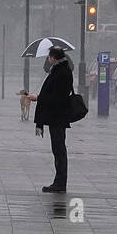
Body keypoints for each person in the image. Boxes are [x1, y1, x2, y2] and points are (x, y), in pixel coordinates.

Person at [25, 46, 73, 192]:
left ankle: (60, 183)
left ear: (53, 58)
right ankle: (59, 182)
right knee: (57, 149)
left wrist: (38, 98)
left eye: (48, 57)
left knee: (59, 149)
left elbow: (57, 97)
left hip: (58, 117)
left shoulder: (61, 73)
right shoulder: (59, 71)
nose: (47, 59)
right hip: (56, 116)